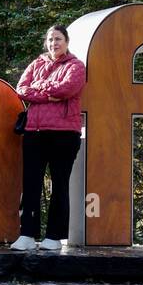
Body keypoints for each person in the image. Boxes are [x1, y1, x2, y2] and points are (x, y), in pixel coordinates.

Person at [12, 24, 86, 251]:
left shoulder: (76, 66)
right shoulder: (37, 63)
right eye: (50, 39)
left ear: (67, 41)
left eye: (58, 39)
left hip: (64, 134)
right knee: (31, 183)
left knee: (60, 184)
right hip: (34, 131)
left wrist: (40, 89)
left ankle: (54, 237)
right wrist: (47, 91)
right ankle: (27, 235)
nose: (54, 43)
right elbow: (22, 89)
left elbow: (67, 89)